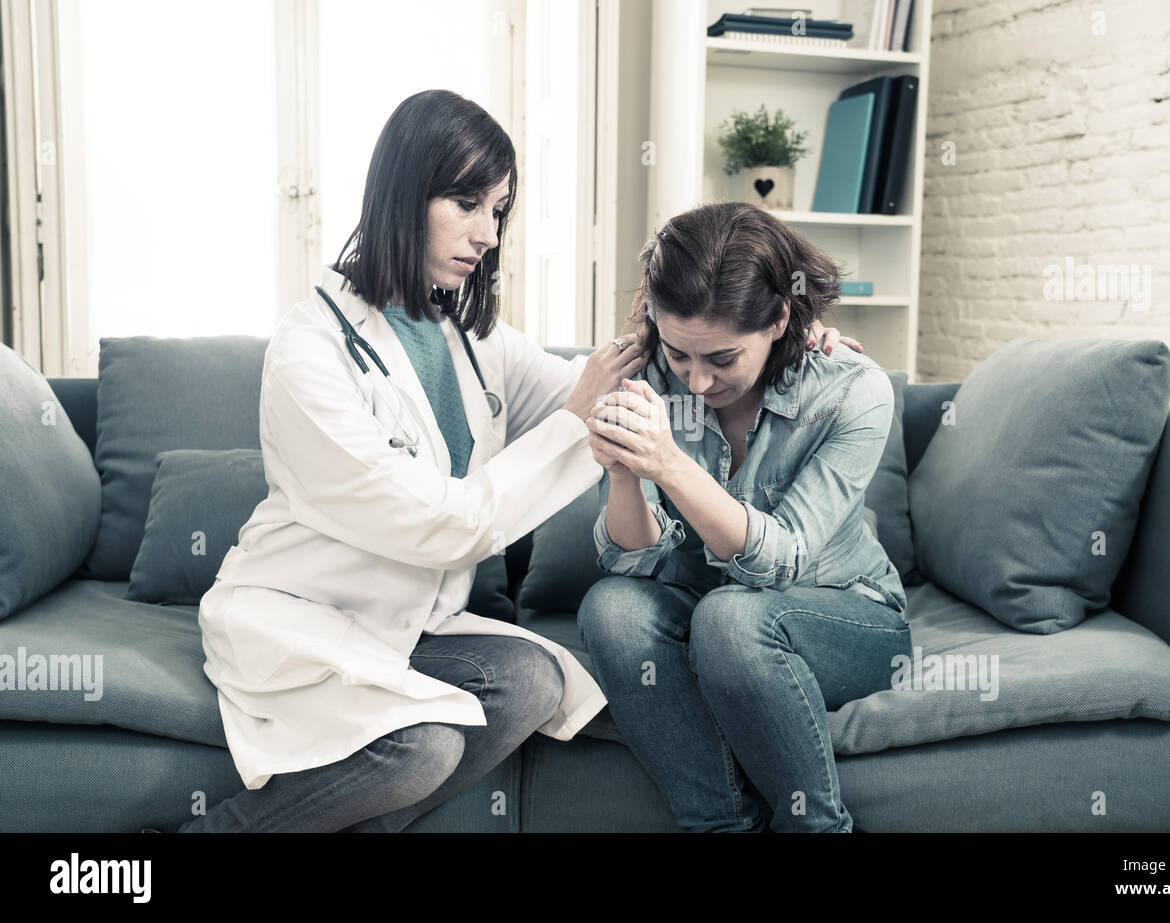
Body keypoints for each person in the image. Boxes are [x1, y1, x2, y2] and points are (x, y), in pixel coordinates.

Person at [178, 91, 855, 833]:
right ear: (402, 193)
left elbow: (609, 384)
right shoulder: (310, 350)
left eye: (497, 210)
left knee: (532, 680)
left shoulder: (470, 337)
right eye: (466, 203)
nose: (487, 234)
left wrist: (779, 342)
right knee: (422, 748)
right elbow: (443, 523)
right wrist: (576, 419)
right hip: (302, 616)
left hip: (404, 629)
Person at [576, 201, 912, 833]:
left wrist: (670, 464)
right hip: (706, 609)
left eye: (723, 359)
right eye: (680, 354)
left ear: (781, 316)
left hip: (840, 614)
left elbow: (779, 562)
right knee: (611, 607)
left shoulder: (852, 389)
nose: (697, 382)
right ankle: (720, 826)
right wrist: (625, 472)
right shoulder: (647, 376)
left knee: (730, 617)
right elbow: (633, 559)